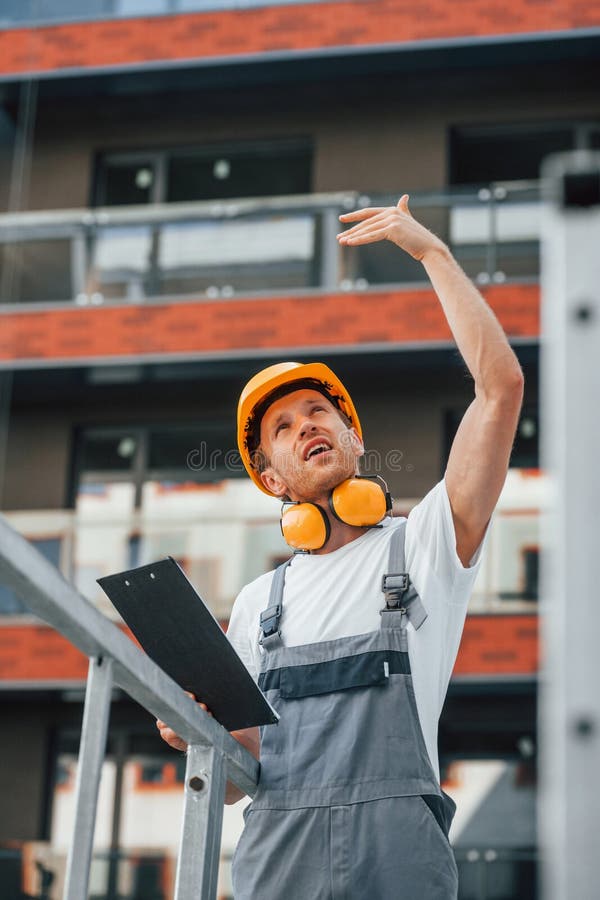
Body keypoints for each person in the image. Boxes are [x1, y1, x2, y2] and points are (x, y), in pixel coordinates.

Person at [157, 195, 524, 899]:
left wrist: (431, 254)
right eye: (284, 427)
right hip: (279, 854)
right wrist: (194, 734)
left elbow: (499, 388)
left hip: (400, 859)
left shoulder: (426, 546)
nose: (306, 427)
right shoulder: (260, 602)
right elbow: (241, 781)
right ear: (271, 478)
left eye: (319, 411)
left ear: (354, 437)